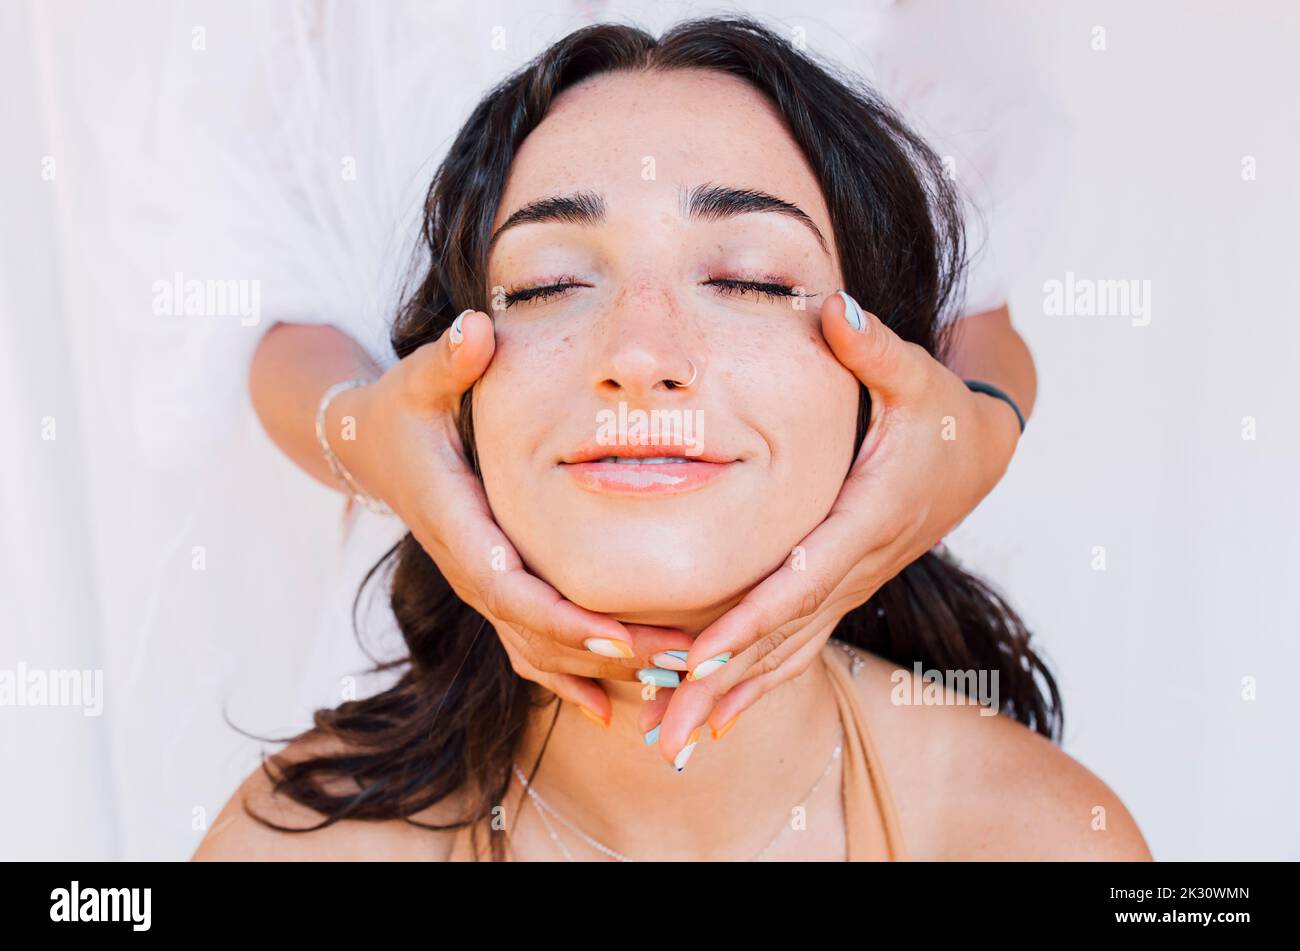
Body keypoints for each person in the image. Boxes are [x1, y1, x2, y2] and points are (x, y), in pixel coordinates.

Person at [195, 17, 1148, 861]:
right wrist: (355, 431)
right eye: (545, 286)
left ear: (878, 392)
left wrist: (979, 421)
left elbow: (982, 320)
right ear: (455, 405)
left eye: (752, 281)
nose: (641, 354)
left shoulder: (1044, 841)